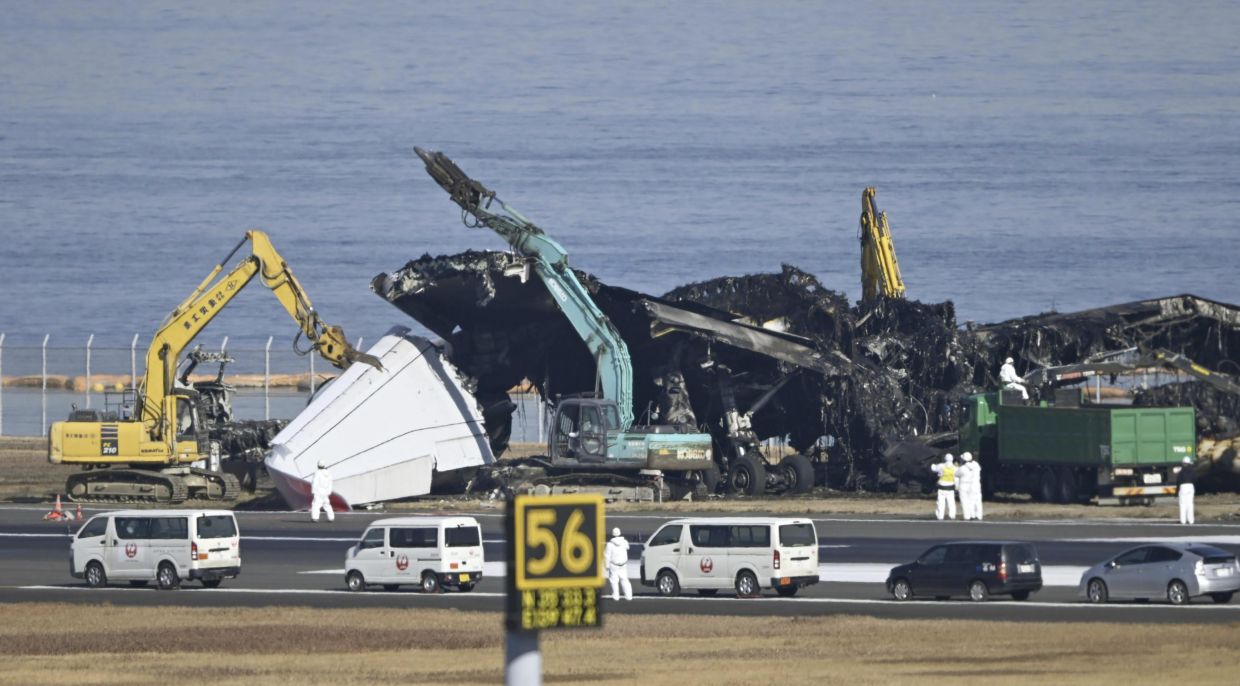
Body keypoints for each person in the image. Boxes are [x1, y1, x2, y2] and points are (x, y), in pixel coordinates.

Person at [605, 527, 633, 601]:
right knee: (625, 580)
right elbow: (628, 547)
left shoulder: (609, 544)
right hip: (623, 565)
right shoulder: (624, 542)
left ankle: (616, 597)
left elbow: (607, 556)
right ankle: (629, 596)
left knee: (614, 581)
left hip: (614, 565)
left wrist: (607, 566)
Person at [930, 454, 957, 520]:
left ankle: (940, 516)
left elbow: (933, 468)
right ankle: (952, 515)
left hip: (942, 488)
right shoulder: (955, 468)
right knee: (951, 503)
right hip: (950, 488)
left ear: (945, 459)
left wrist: (932, 463)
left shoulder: (941, 466)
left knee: (940, 503)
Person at [957, 452, 983, 520]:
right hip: (977, 485)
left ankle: (969, 516)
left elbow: (956, 474)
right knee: (978, 501)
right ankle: (979, 516)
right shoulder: (976, 465)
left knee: (967, 501)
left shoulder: (963, 468)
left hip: (967, 485)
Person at [1176, 456, 1196, 525]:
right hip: (1191, 486)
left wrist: (1176, 491)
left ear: (1183, 463)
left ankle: (1183, 520)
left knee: (1182, 504)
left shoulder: (1181, 471)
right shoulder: (1192, 470)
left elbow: (1178, 481)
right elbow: (1195, 479)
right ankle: (1191, 520)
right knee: (1190, 504)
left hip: (1183, 487)